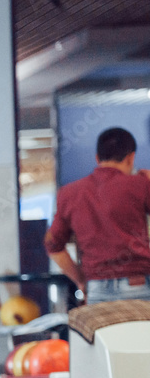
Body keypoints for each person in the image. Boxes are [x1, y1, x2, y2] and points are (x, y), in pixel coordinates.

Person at [45, 127, 150, 305]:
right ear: (131, 158)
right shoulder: (140, 185)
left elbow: (52, 245)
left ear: (97, 158)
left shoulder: (69, 193)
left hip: (96, 289)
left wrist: (80, 279)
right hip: (139, 285)